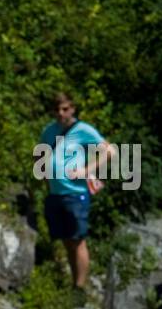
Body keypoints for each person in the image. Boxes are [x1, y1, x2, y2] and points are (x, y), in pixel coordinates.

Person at [39, 92, 113, 292]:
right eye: (57, 110)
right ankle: (74, 281)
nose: (61, 114)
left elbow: (109, 151)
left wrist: (86, 170)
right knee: (66, 240)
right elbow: (41, 153)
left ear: (72, 109)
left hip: (75, 193)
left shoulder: (83, 130)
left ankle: (79, 287)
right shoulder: (49, 131)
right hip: (55, 193)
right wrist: (44, 173)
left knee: (78, 240)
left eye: (65, 109)